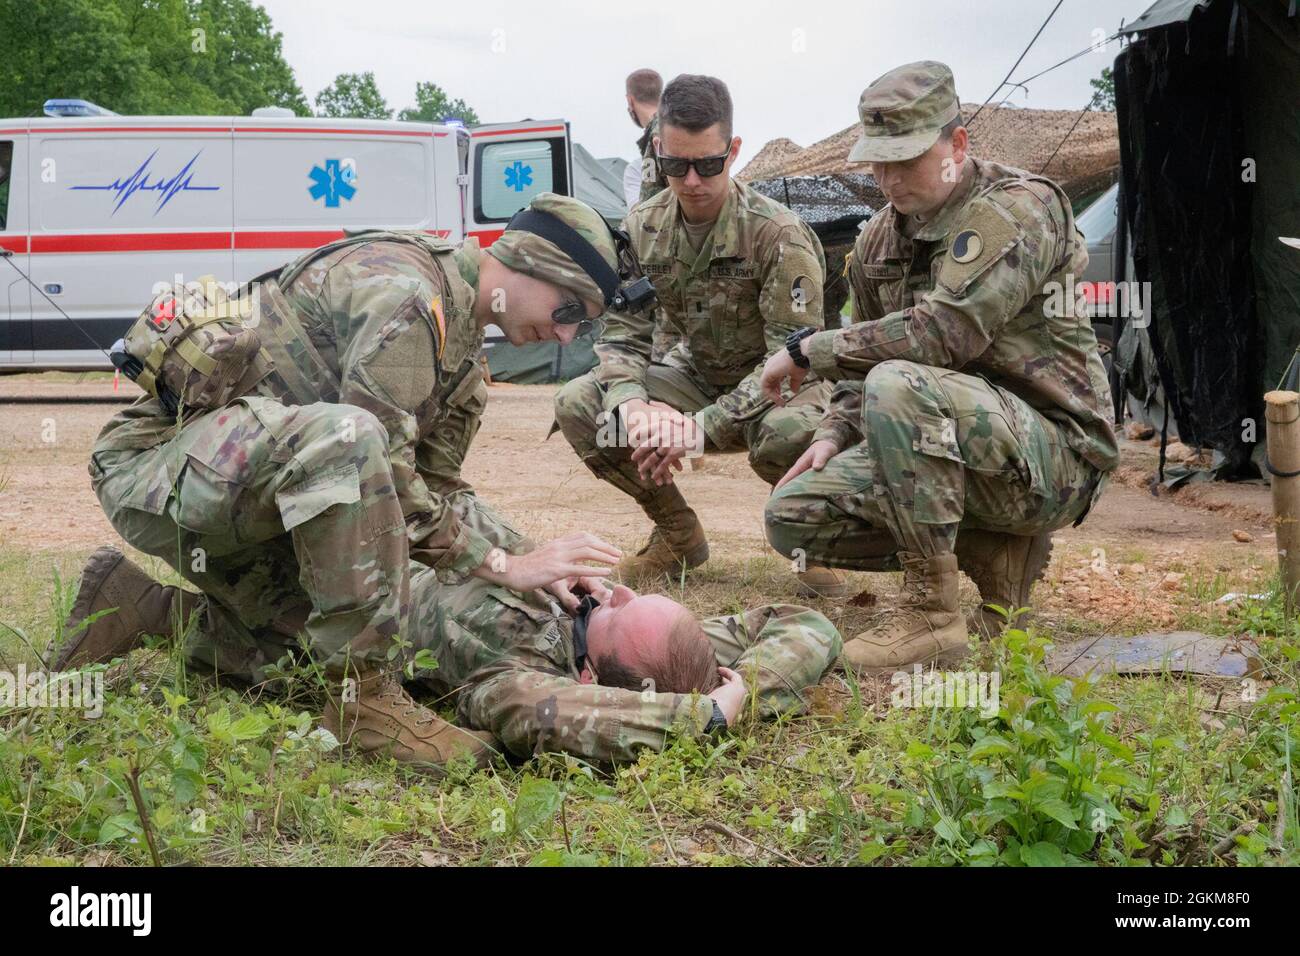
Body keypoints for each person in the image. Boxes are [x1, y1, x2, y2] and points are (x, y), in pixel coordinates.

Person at [56, 193, 637, 767]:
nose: (565, 337)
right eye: (567, 311)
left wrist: (531, 561)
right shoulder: (408, 295)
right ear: (529, 262)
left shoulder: (463, 362)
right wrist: (504, 566)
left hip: (252, 494)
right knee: (350, 442)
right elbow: (375, 458)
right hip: (156, 470)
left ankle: (141, 607)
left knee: (326, 640)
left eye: (580, 327)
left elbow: (434, 491)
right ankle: (365, 704)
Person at [761, 61, 1118, 673]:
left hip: (1055, 455)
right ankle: (993, 555)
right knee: (793, 514)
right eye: (878, 160)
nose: (888, 178)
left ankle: (931, 612)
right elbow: (860, 366)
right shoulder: (878, 241)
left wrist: (806, 350)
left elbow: (939, 335)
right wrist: (833, 432)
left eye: (906, 159)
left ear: (957, 144)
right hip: (949, 444)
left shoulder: (1020, 208)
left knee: (898, 382)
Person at [554, 73, 847, 598]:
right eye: (676, 165)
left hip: (780, 390)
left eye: (708, 164)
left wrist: (694, 429)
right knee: (582, 403)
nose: (691, 180)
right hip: (696, 377)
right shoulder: (642, 227)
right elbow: (623, 334)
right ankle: (678, 537)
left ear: (733, 150)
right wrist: (632, 405)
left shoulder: (778, 235)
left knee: (786, 437)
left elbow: (793, 360)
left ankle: (816, 547)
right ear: (659, 151)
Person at [406, 575, 841, 762]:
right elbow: (806, 624)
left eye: (613, 614)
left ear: (589, 678)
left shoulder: (523, 671)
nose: (618, 591)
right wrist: (736, 694)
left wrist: (700, 718)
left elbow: (530, 707)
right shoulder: (660, 647)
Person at [625, 67, 669, 208]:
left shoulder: (657, 135)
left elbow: (644, 214)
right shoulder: (678, 126)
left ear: (630, 100)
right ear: (661, 97)